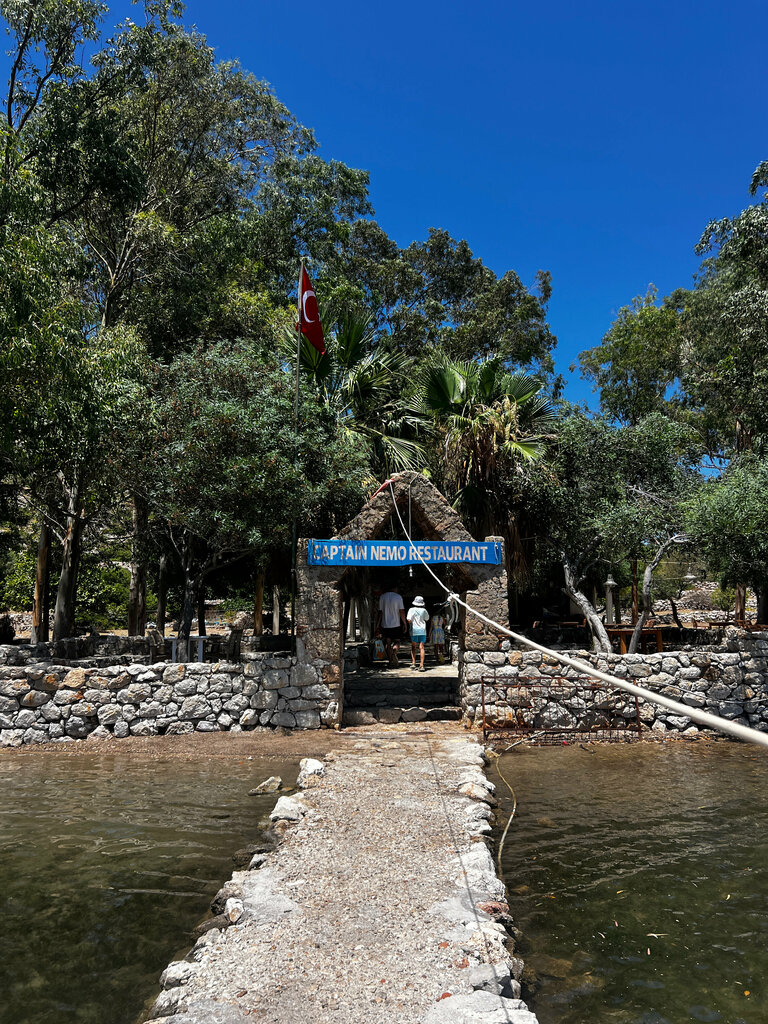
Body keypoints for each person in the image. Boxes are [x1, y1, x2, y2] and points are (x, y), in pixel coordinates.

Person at [376, 583, 406, 667]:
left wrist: (377, 625)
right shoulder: (398, 597)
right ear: (395, 588)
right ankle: (394, 652)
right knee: (397, 641)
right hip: (396, 624)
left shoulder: (382, 597)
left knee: (387, 643)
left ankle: (390, 661)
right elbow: (401, 611)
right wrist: (404, 623)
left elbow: (380, 612)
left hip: (385, 624)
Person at [407, 595, 430, 672]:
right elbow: (427, 619)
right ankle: (421, 665)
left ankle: (413, 663)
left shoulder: (411, 610)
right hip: (422, 630)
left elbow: (409, 620)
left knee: (413, 647)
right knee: (422, 647)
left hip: (414, 630)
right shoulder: (424, 610)